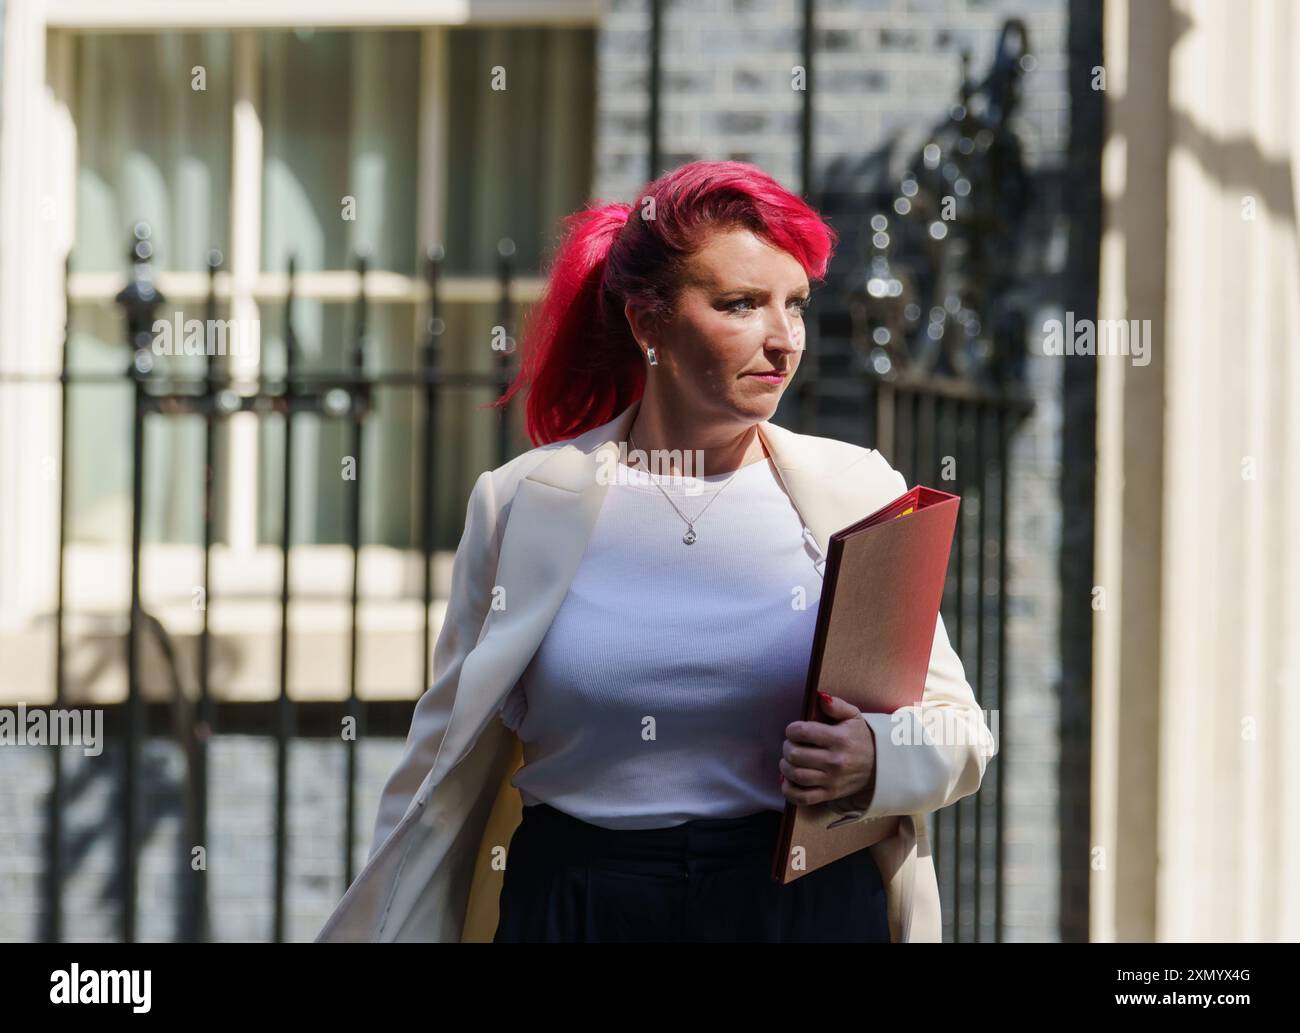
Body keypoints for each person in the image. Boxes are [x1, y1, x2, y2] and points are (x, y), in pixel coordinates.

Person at [315, 160, 995, 945]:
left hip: (802, 909)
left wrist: (877, 756)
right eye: (741, 304)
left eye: (796, 304)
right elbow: (437, 767)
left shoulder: (856, 488)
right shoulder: (522, 504)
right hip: (579, 907)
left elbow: (960, 729)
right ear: (648, 324)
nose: (783, 340)